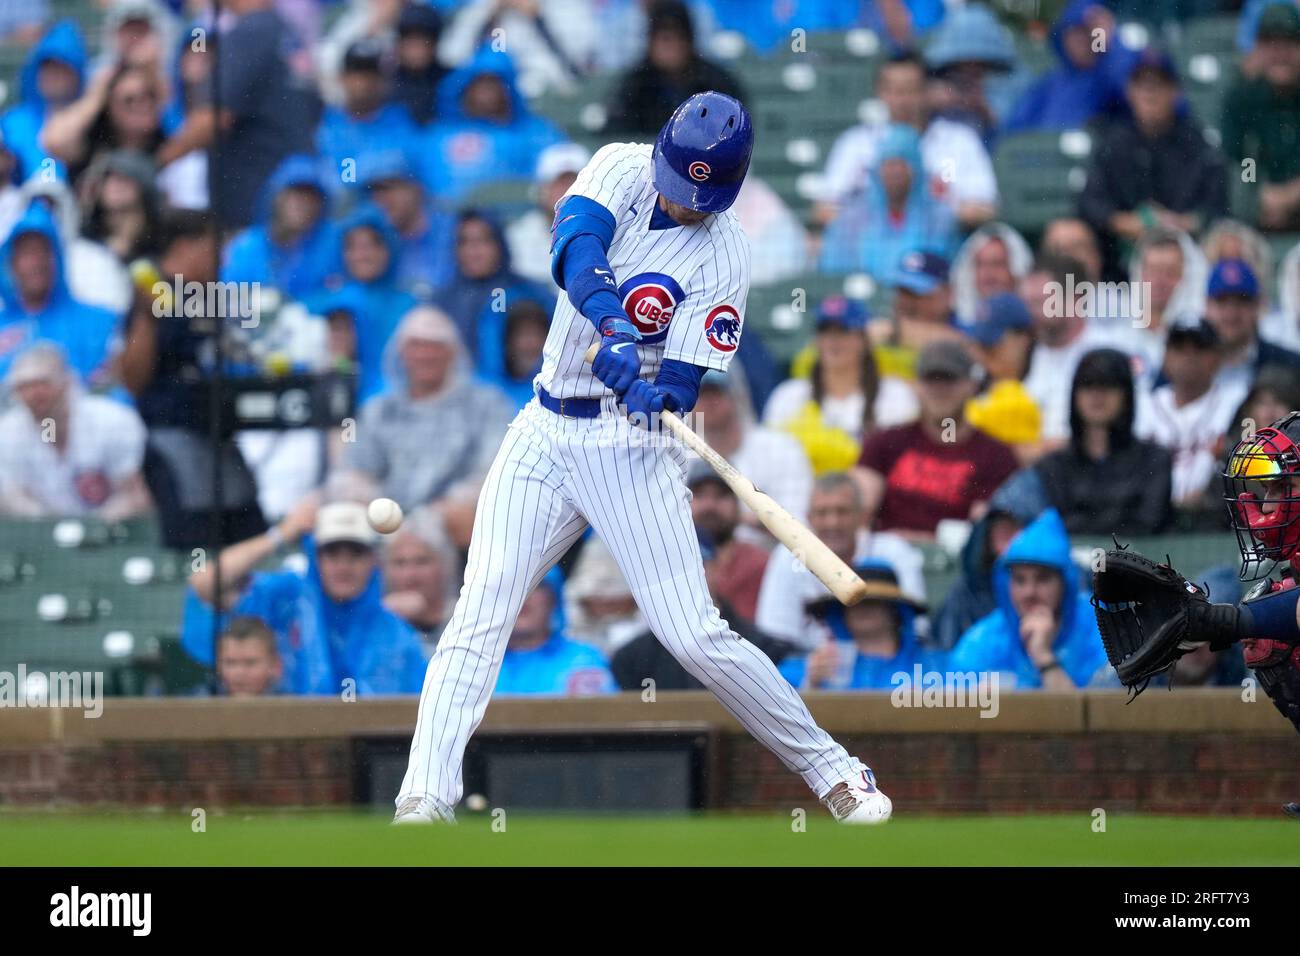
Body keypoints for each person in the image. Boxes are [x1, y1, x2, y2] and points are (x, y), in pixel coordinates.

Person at [394, 93, 894, 826]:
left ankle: (837, 773)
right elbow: (575, 249)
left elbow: (686, 380)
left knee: (692, 633)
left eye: (698, 195)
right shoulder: (618, 167)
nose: (679, 199)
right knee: (481, 608)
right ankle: (425, 798)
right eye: (675, 180)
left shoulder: (725, 253)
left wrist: (655, 388)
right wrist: (615, 330)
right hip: (544, 430)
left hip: (632, 448)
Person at [116, 209, 268, 549]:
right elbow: (133, 379)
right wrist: (145, 317)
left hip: (221, 440)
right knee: (193, 550)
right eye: (215, 247)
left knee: (250, 537)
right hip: (176, 441)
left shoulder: (210, 299)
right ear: (187, 246)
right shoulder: (157, 296)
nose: (222, 259)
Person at [335, 306, 513, 547]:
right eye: (416, 346)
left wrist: (435, 516)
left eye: (435, 345)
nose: (425, 355)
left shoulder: (488, 405)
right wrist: (384, 510)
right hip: (386, 532)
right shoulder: (378, 410)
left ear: (453, 352)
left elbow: (494, 473)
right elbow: (353, 472)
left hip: (459, 532)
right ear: (401, 352)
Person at [208, 501, 427, 695]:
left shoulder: (396, 634)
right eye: (332, 554)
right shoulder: (286, 599)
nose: (343, 566)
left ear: (373, 560)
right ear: (316, 558)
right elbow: (207, 584)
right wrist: (281, 534)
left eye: (355, 554)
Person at [156, 0, 319, 229]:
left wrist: (157, 161)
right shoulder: (288, 35)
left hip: (257, 211)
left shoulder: (249, 34)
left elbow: (212, 118)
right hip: (295, 202)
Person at [1079, 47, 1228, 270]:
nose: (1149, 92)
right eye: (1141, 84)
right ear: (1129, 91)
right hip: (1119, 251)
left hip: (1187, 251)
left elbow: (1217, 207)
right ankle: (1083, 301)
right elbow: (1090, 201)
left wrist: (1180, 223)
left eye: (1159, 84)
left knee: (1226, 241)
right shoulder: (1112, 142)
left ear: (1176, 92)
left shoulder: (1198, 143)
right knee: (1067, 235)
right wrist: (1125, 222)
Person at [818, 52, 999, 232]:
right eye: (894, 91)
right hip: (873, 248)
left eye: (910, 90)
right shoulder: (856, 143)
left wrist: (931, 216)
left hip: (940, 247)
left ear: (927, 91)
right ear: (879, 92)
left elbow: (985, 208)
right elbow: (824, 210)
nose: (902, 100)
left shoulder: (959, 140)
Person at [856, 341, 1020, 539]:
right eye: (931, 379)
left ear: (972, 385)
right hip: (886, 557)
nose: (939, 389)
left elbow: (985, 532)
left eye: (949, 379)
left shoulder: (996, 455)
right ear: (917, 386)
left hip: (955, 562)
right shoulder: (886, 442)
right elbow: (859, 510)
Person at [610, 526, 796, 692]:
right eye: (675, 568)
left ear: (717, 568)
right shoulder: (631, 659)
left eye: (696, 564)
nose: (686, 577)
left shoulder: (763, 647)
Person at [755, 472, 924, 650]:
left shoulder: (893, 552)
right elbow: (776, 636)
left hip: (887, 662)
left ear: (862, 515)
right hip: (810, 663)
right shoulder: (789, 554)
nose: (833, 522)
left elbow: (917, 628)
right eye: (822, 513)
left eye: (842, 511)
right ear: (809, 518)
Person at [949, 508, 1107, 689]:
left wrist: (1043, 656)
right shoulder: (983, 641)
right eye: (1019, 580)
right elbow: (954, 712)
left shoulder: (1098, 629)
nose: (1029, 592)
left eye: (1043, 579)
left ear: (1065, 583)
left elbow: (1097, 715)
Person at [763, 296, 917, 476]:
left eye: (843, 331)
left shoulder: (895, 394)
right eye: (825, 331)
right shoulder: (788, 395)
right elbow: (771, 460)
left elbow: (902, 462)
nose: (833, 341)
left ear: (864, 340)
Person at [0, 343, 149, 519]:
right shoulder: (7, 432)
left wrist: (94, 526)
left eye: (42, 384)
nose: (34, 394)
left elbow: (136, 492)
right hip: (42, 535)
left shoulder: (113, 421)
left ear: (66, 382)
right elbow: (11, 496)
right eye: (24, 387)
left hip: (114, 530)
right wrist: (48, 524)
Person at [1034, 348, 1173, 536]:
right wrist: (1120, 515)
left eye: (1109, 384)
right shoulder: (1053, 466)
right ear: (1074, 394)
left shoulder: (1155, 460)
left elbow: (1149, 524)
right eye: (1088, 384)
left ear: (1127, 395)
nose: (1097, 395)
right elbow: (1053, 527)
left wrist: (1081, 520)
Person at [417, 46, 564, 203]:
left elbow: (559, 180)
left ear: (508, 89)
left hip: (516, 221)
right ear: (465, 88)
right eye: (479, 83)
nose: (486, 91)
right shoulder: (436, 136)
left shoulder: (536, 133)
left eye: (494, 83)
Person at [0, 202, 119, 389]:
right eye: (27, 253)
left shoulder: (97, 321)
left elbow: (111, 393)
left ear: (58, 259)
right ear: (11, 263)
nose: (36, 263)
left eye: (44, 251)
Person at [1135, 318, 1248, 514]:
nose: (1189, 357)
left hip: (1212, 519)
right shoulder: (1143, 406)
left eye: (1199, 348)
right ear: (1165, 357)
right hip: (1149, 519)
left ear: (1217, 357)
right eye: (1179, 348)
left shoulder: (1236, 404)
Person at [819, 123, 956, 279]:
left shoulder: (940, 219)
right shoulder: (851, 220)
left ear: (917, 168)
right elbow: (834, 275)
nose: (895, 172)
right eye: (889, 164)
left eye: (903, 163)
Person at [931, 469, 1048, 651]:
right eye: (1000, 528)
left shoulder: (1066, 591)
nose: (1006, 538)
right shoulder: (968, 592)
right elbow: (947, 658)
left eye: (1016, 527)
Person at [779, 563, 938, 691]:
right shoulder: (813, 667)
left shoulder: (933, 667)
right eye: (852, 602)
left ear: (896, 611)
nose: (862, 608)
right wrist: (810, 685)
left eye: (874, 601)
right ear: (841, 611)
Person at [433, 209, 555, 369]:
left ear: (499, 244)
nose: (474, 251)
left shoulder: (532, 294)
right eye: (464, 242)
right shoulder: (440, 304)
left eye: (483, 240)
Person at [603, 1, 744, 138]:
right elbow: (617, 132)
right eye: (664, 39)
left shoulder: (715, 82)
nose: (671, 47)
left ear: (689, 41)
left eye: (678, 38)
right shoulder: (635, 86)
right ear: (650, 42)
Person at [695, 368, 812, 530]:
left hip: (771, 552)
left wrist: (730, 517)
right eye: (700, 395)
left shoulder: (780, 447)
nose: (708, 403)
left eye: (716, 394)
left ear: (736, 397)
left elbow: (798, 524)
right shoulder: (681, 454)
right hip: (705, 553)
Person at [1221, 4, 1300, 231]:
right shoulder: (1244, 99)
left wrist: (1290, 195)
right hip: (1258, 220)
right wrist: (1260, 193)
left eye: (1290, 42)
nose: (1281, 53)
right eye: (1271, 43)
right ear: (1256, 48)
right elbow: (1244, 158)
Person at [1004, 0, 1138, 134]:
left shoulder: (1105, 77)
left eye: (1085, 33)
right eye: (1072, 33)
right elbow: (1013, 127)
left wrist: (1108, 42)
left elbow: (1129, 89)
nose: (1079, 40)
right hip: (1043, 152)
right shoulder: (1050, 84)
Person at [221, 155, 341, 302]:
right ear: (276, 198)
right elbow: (227, 298)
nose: (302, 204)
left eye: (310, 197)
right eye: (295, 195)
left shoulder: (332, 244)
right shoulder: (248, 245)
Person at [316, 37, 420, 200]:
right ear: (342, 78)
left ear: (384, 81)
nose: (363, 82)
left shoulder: (401, 121)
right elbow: (341, 179)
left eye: (370, 74)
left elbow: (405, 168)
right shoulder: (327, 123)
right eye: (356, 73)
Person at [39, 62, 169, 185]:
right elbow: (53, 141)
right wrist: (95, 96)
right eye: (129, 100)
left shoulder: (170, 142)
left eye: (149, 95)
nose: (143, 104)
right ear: (109, 107)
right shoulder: (93, 149)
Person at [494, 572, 616, 696]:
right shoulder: (476, 658)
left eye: (537, 585)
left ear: (554, 600)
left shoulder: (582, 659)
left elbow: (602, 713)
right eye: (509, 587)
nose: (523, 596)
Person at [359, 153, 456, 299]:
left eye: (389, 188)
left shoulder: (453, 233)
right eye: (374, 192)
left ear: (416, 188)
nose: (381, 199)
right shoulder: (375, 241)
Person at [0, 19, 86, 183]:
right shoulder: (12, 123)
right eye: (46, 68)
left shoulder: (89, 121)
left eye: (61, 68)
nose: (52, 76)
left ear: (76, 73)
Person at [1204, 259, 1300, 395]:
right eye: (1222, 301)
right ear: (1206, 306)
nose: (1231, 313)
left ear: (1257, 307)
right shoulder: (1183, 364)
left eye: (1242, 301)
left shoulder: (1290, 366)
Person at [688, 464, 769, 621]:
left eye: (720, 496)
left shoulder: (760, 564)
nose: (709, 505)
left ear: (737, 505)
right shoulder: (669, 562)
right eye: (700, 495)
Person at [506, 141, 590, 288]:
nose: (569, 190)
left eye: (576, 181)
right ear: (542, 190)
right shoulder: (518, 235)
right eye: (559, 183)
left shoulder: (611, 230)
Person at [382, 506, 459, 648]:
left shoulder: (465, 618)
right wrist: (383, 614)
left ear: (445, 565)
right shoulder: (378, 620)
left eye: (422, 561)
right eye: (399, 563)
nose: (410, 574)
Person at [950, 223, 1034, 326]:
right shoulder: (954, 321)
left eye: (998, 264)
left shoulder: (1033, 323)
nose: (988, 273)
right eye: (980, 264)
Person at [391, 2, 447, 126]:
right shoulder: (384, 85)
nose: (416, 47)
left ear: (435, 44)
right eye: (409, 38)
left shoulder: (452, 82)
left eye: (424, 39)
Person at [214, 616, 283, 697]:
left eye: (250, 663)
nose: (240, 673)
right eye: (231, 663)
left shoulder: (293, 704)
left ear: (274, 665)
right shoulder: (199, 700)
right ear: (218, 665)